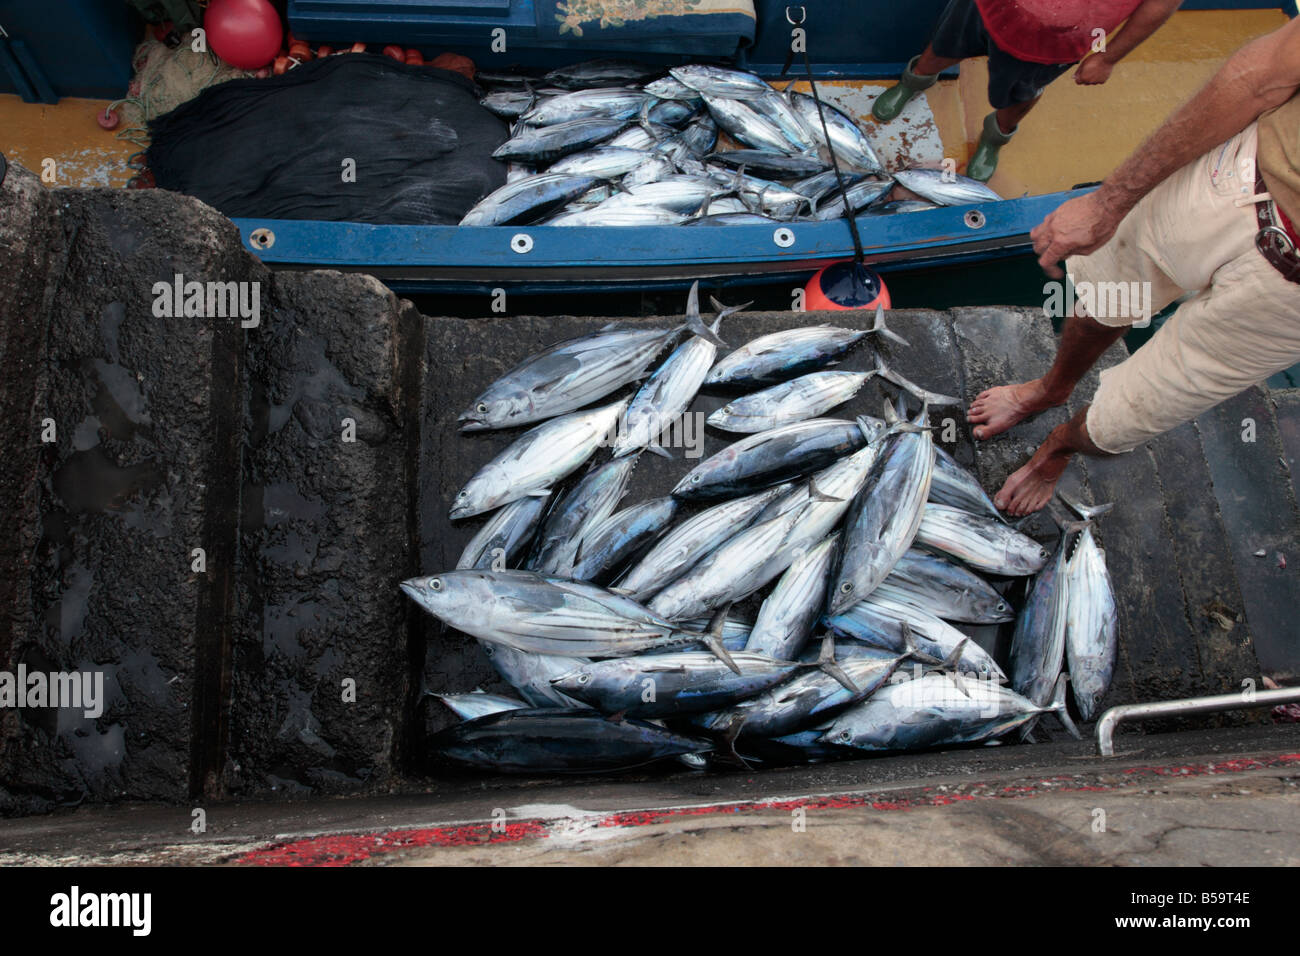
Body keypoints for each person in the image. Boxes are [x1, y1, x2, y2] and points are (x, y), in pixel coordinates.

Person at [967, 16, 1300, 516]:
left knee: (1127, 422)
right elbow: (1260, 74)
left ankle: (1057, 448)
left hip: (1285, 304)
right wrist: (1107, 202)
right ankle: (1051, 388)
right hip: (1242, 181)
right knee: (1103, 303)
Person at [872, 0, 1183, 180]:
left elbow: (1159, 4)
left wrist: (1106, 55)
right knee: (941, 48)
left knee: (1021, 93)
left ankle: (996, 135)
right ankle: (914, 80)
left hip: (1063, 41)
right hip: (988, 7)